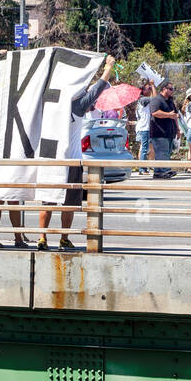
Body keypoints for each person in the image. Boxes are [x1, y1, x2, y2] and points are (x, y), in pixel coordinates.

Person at [37, 52, 115, 250]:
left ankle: (42, 237)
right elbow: (95, 91)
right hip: (71, 159)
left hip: (50, 159)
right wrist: (107, 68)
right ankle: (64, 238)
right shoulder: (77, 106)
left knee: (47, 202)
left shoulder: (49, 102)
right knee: (69, 203)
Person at [148, 81, 179, 178]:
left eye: (172, 89)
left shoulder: (170, 101)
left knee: (167, 153)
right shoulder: (156, 100)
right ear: (164, 89)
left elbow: (175, 115)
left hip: (169, 132)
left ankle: (162, 171)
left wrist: (178, 129)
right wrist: (168, 115)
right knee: (162, 153)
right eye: (170, 89)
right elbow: (155, 113)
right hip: (159, 132)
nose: (172, 91)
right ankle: (162, 172)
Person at [133, 81, 153, 173]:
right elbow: (156, 98)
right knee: (144, 148)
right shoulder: (144, 99)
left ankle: (143, 167)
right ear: (143, 91)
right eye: (148, 88)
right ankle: (142, 168)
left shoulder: (142, 100)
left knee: (144, 148)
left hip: (143, 127)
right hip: (144, 127)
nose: (150, 90)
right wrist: (153, 85)